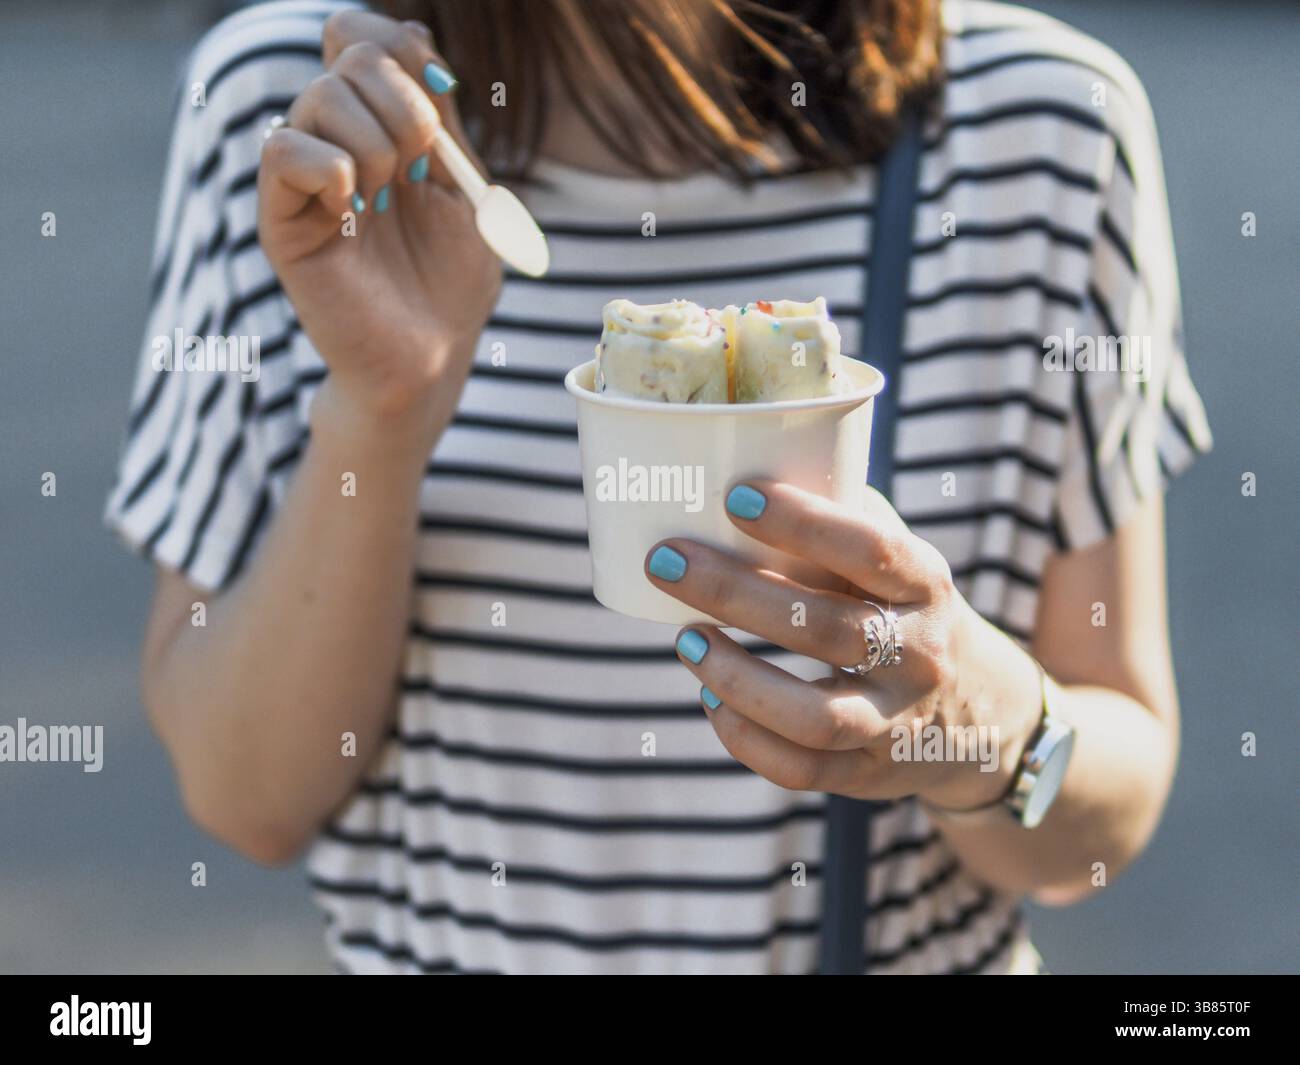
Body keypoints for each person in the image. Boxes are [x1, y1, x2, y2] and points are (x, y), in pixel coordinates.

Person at [105, 0, 1212, 974]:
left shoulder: (1048, 128)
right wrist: (383, 407)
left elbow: (1102, 824)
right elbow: (246, 795)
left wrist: (986, 728)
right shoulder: (298, 118)